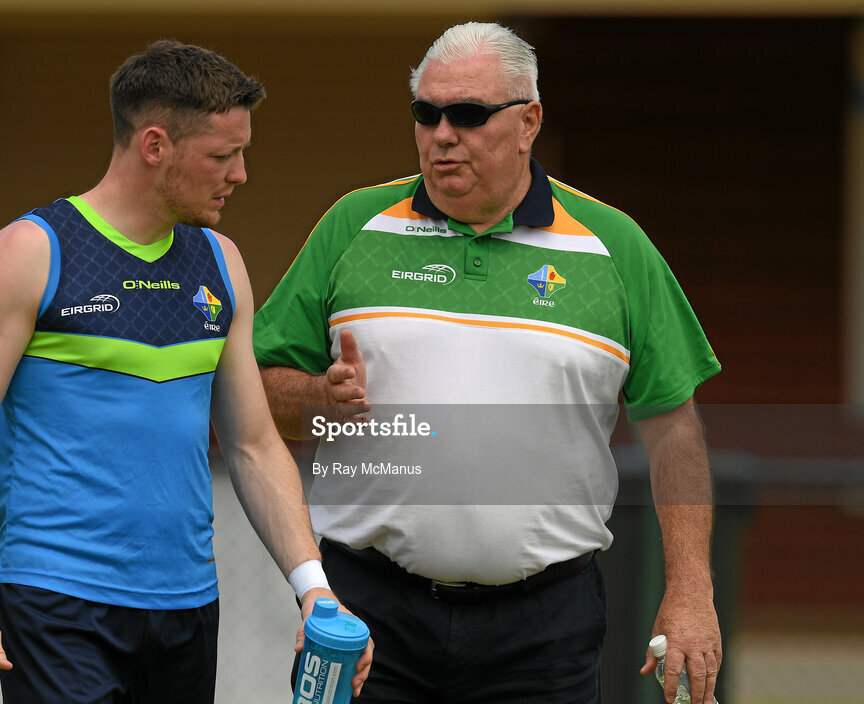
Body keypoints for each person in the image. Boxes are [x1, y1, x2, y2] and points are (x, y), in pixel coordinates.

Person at [254, 22, 721, 704]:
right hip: (367, 609)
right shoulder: (354, 226)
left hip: (544, 624)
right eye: (427, 113)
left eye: (469, 115)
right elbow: (258, 389)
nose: (443, 134)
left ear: (529, 120)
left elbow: (674, 430)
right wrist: (317, 401)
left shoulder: (613, 247)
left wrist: (689, 591)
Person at [0, 39, 370, 703]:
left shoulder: (221, 263)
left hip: (187, 604)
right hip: (57, 600)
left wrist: (316, 590)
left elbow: (252, 444)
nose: (241, 174)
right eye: (223, 155)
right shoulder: (30, 253)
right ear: (154, 144)